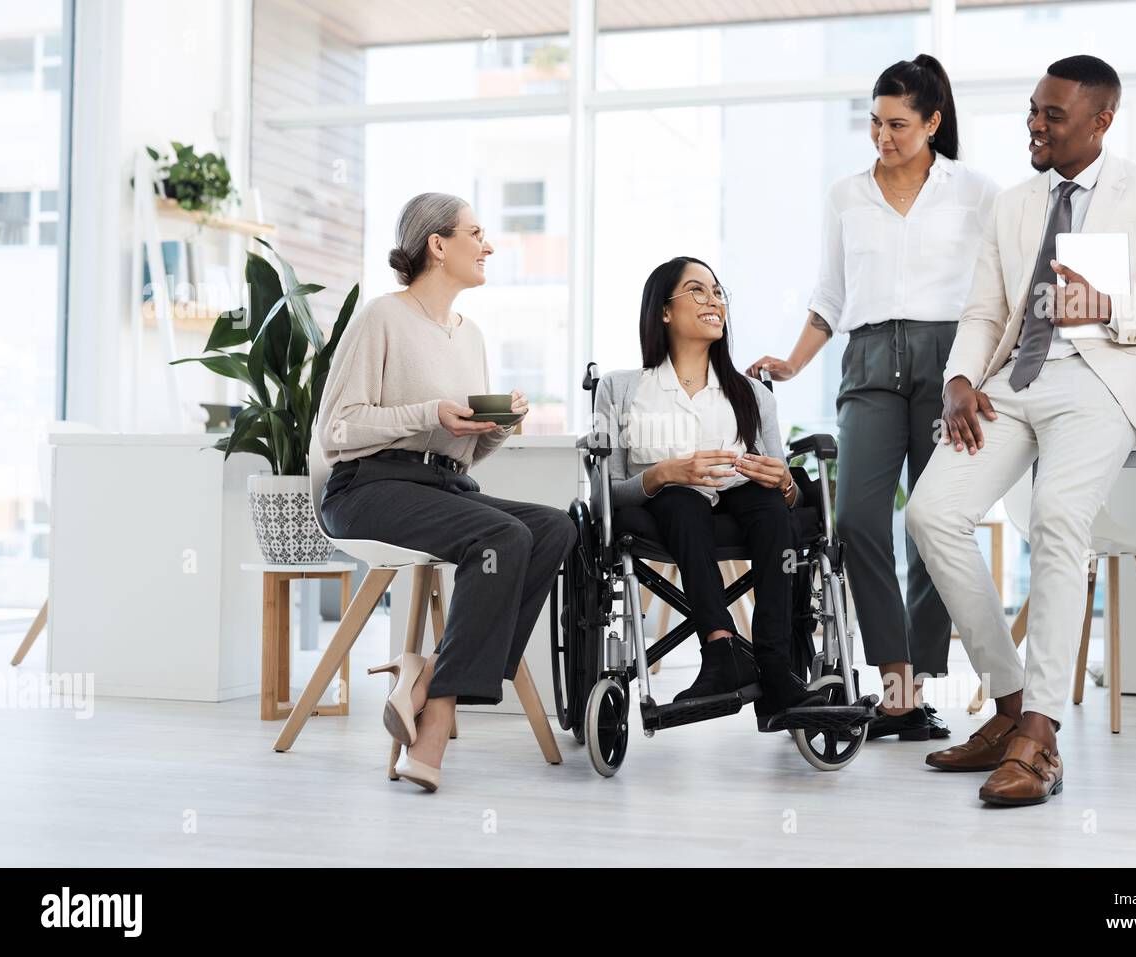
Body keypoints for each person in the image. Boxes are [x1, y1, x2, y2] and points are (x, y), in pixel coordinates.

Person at [906, 56, 1136, 806]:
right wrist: (959, 378)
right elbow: (985, 310)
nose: (1035, 125)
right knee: (931, 513)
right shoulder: (1013, 203)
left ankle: (1040, 736)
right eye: (1032, 110)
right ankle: (1011, 705)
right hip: (1012, 383)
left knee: (1056, 519)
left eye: (1053, 115)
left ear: (1101, 121)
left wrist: (1114, 308)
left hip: (1101, 381)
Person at [748, 54, 998, 741]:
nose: (882, 137)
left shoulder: (976, 192)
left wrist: (983, 373)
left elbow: (997, 290)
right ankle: (895, 680)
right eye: (875, 123)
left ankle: (906, 695)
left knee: (931, 522)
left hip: (950, 366)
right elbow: (831, 294)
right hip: (867, 362)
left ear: (932, 122)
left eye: (897, 124)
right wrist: (794, 361)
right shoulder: (846, 195)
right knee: (858, 519)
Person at [316, 192, 576, 792]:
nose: (489, 246)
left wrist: (496, 427)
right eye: (476, 234)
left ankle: (430, 674)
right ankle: (435, 721)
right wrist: (430, 411)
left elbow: (462, 450)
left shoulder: (471, 335)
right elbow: (337, 428)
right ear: (437, 244)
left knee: (554, 528)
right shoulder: (383, 317)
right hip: (368, 486)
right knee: (503, 535)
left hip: (444, 483)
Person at [594, 256, 830, 729]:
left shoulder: (752, 394)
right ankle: (722, 651)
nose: (714, 301)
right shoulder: (620, 389)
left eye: (718, 292)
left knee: (768, 504)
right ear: (664, 311)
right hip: (667, 510)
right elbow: (608, 494)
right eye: (698, 290)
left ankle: (775, 665)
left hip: (747, 503)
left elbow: (787, 491)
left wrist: (785, 483)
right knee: (680, 497)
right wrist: (662, 474)